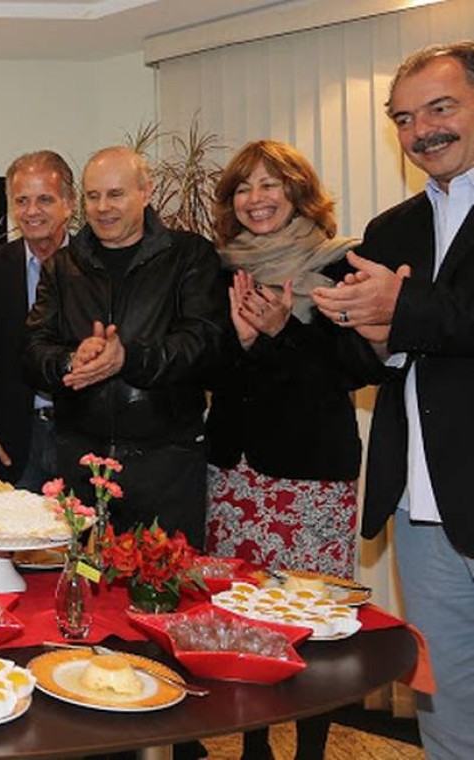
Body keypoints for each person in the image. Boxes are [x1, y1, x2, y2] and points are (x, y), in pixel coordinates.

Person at [311, 41, 474, 760]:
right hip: (419, 509)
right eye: (403, 119)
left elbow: (442, 315)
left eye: (440, 108)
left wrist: (400, 307)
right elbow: (359, 359)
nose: (420, 132)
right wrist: (364, 331)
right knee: (444, 699)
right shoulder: (387, 230)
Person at [205, 141, 383, 760]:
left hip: (310, 480)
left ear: (298, 193)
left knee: (313, 622)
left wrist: (284, 332)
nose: (256, 200)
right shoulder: (222, 270)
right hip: (236, 480)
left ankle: (311, 747)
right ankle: (254, 746)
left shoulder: (340, 266)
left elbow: (358, 369)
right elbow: (215, 373)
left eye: (270, 185)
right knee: (247, 621)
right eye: (244, 189)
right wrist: (248, 343)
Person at [23, 146, 225, 547]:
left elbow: (203, 346)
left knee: (162, 596)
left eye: (115, 194)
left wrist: (128, 358)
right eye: (93, 196)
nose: (102, 207)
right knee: (84, 589)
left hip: (165, 467)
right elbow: (32, 350)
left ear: (145, 192)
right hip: (81, 468)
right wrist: (69, 359)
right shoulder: (62, 266)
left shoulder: (189, 256)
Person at [0, 151, 75, 489]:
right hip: (12, 441)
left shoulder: (94, 263)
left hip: (81, 439)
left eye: (44, 199)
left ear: (68, 203)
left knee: (81, 539)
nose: (31, 211)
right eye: (21, 200)